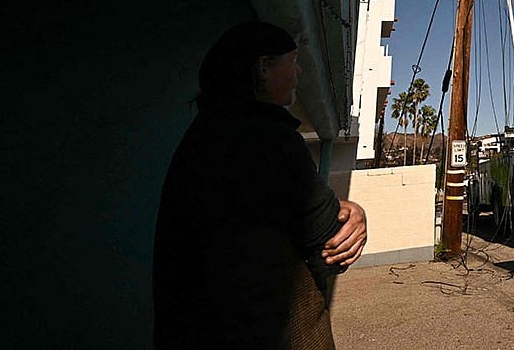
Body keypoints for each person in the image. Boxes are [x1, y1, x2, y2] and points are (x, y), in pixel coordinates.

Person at [153, 21, 367, 350]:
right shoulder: (270, 139)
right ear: (264, 68)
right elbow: (331, 250)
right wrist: (351, 215)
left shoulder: (199, 138)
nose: (298, 73)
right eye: (292, 62)